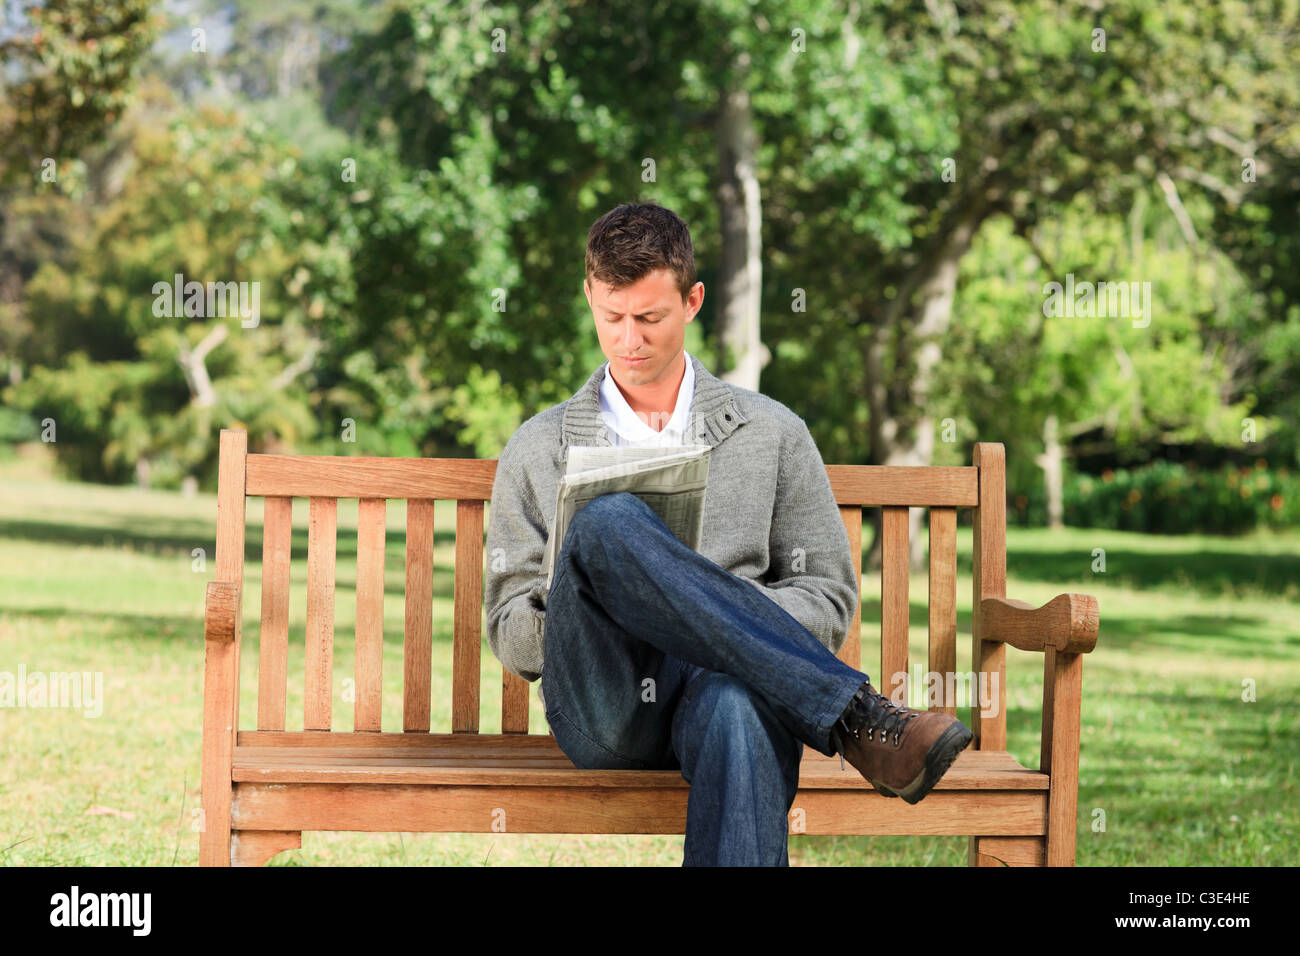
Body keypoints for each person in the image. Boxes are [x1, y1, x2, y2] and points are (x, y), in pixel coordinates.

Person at [484, 201, 973, 866]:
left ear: (692, 301)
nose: (630, 340)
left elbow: (828, 597)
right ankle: (853, 716)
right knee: (607, 524)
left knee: (741, 703)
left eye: (650, 318)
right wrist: (596, 597)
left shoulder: (771, 432)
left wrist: (704, 624)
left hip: (723, 692)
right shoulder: (538, 447)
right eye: (612, 318)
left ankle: (810, 695)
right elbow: (511, 630)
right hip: (608, 706)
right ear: (590, 298)